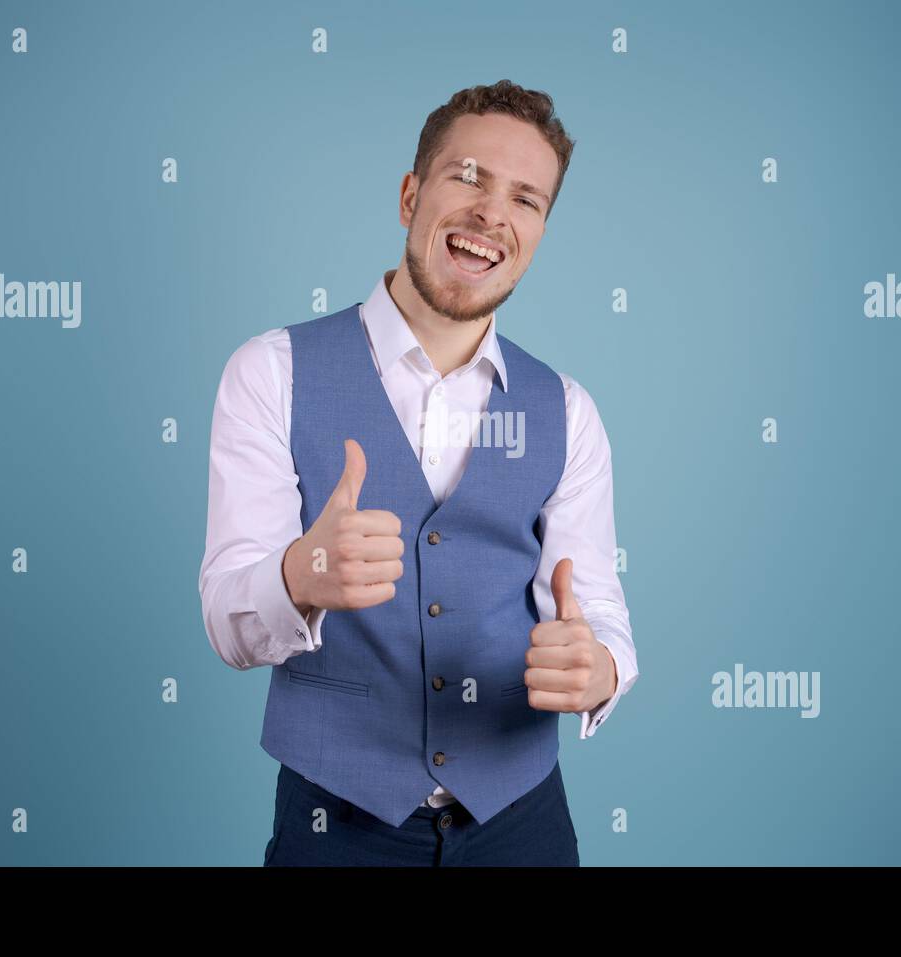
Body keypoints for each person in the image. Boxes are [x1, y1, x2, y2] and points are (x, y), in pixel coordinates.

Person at [198, 79, 637, 866]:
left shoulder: (568, 411)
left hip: (522, 826)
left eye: (526, 199)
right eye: (467, 176)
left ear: (537, 232)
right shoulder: (271, 372)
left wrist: (598, 666)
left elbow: (596, 604)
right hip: (336, 826)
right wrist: (300, 571)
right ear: (410, 195)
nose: (491, 213)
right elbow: (227, 618)